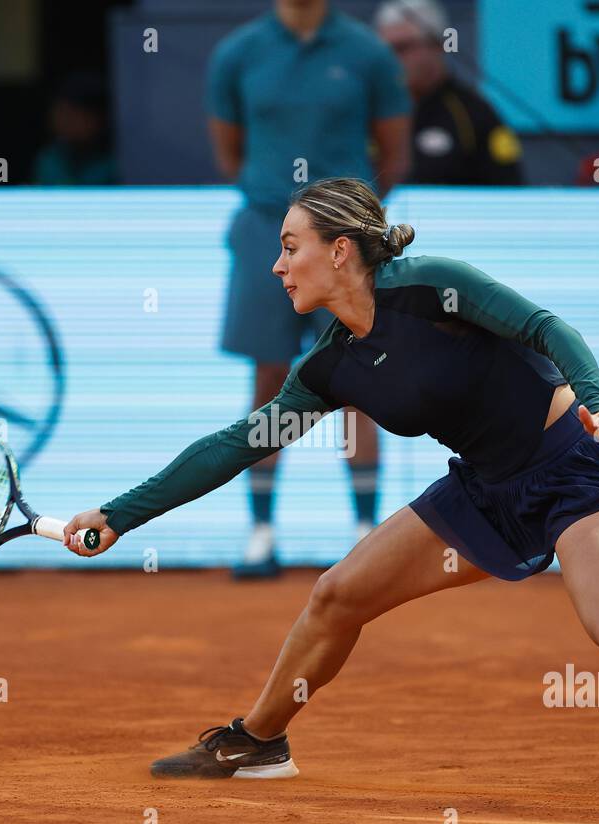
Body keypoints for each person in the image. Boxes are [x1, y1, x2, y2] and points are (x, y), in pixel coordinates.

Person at [61, 177, 599, 818]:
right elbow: (236, 444)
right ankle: (258, 739)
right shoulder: (329, 370)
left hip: (570, 469)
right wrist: (119, 515)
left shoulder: (432, 287)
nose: (277, 266)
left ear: (341, 250)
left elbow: (547, 328)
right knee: (336, 596)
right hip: (481, 492)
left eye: (290, 247)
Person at [206, 0, 411, 577]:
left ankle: (366, 537)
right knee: (269, 378)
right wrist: (286, 218)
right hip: (265, 229)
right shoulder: (238, 53)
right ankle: (261, 534)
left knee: (359, 380)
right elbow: (230, 155)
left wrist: (342, 218)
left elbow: (393, 152)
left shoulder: (367, 52)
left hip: (347, 242)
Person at [375, 0, 524, 185]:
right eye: (384, 50)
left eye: (402, 48)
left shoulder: (472, 114)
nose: (391, 59)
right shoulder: (367, 111)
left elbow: (507, 192)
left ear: (437, 44)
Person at [32, 73, 117, 186]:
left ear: (97, 119)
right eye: (60, 113)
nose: (63, 122)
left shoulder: (115, 164)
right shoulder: (48, 160)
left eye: (72, 115)